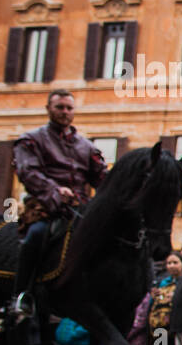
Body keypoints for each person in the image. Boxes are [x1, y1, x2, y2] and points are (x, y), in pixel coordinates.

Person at [8, 90, 109, 319]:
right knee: (36, 236)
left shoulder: (86, 146)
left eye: (69, 108)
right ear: (48, 109)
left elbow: (102, 178)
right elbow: (28, 172)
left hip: (79, 210)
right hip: (44, 208)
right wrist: (55, 190)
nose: (65, 112)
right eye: (60, 107)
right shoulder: (31, 139)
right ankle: (22, 295)